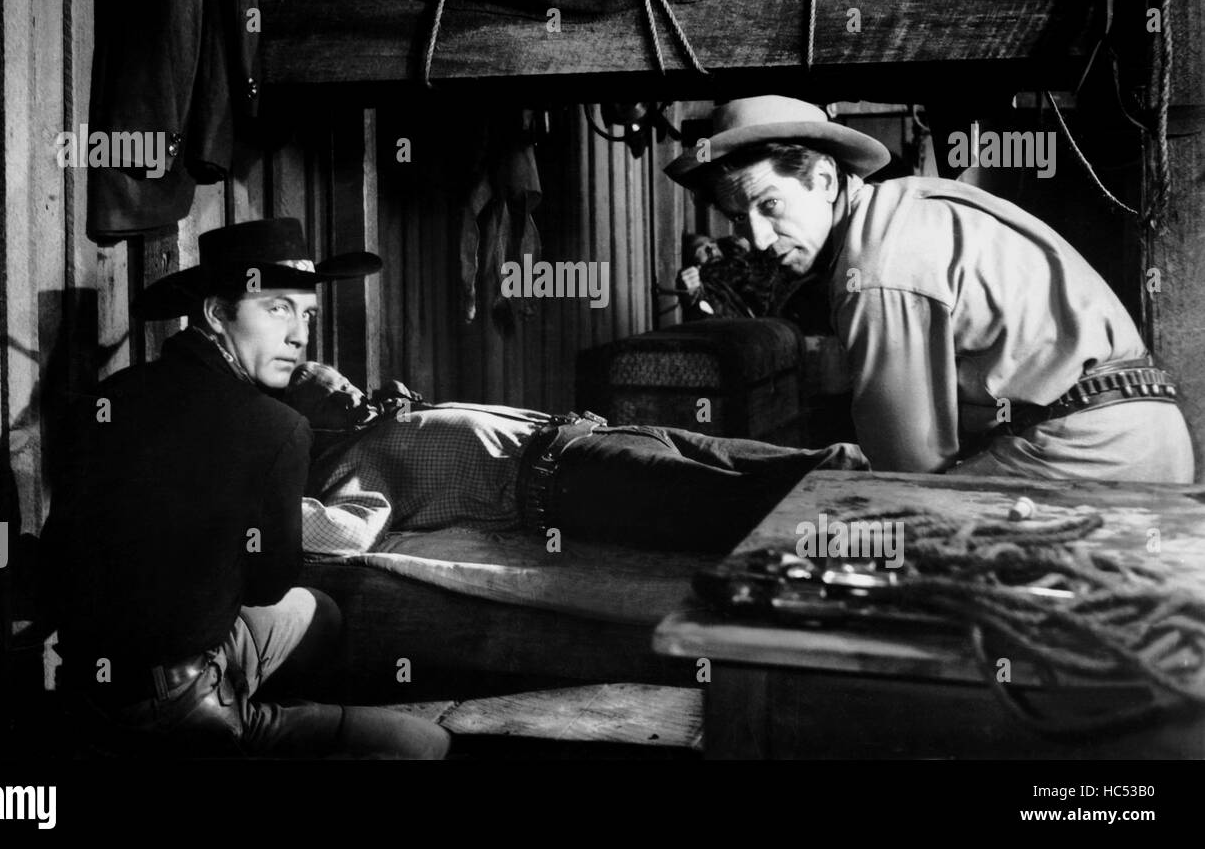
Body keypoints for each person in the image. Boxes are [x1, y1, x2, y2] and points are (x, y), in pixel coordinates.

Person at [39, 218, 450, 759]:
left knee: (319, 612)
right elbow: (266, 583)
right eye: (277, 307)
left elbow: (61, 557)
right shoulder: (274, 428)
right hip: (178, 711)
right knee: (428, 745)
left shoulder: (107, 397)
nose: (299, 335)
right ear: (216, 313)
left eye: (306, 314)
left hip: (82, 684)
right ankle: (245, 730)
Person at [662, 96, 1196, 482]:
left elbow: (909, 471)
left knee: (892, 539)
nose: (755, 237)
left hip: (1091, 454)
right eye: (737, 218)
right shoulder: (904, 204)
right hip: (1144, 435)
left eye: (770, 205)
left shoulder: (875, 268)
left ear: (825, 179)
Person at [281, 360, 869, 557]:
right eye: (328, 392)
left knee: (811, 462)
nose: (350, 390)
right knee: (749, 508)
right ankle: (884, 545)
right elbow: (346, 534)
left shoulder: (384, 415)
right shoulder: (352, 464)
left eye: (345, 380)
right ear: (305, 421)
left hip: (602, 433)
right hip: (569, 482)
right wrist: (260, 506)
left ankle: (903, 496)